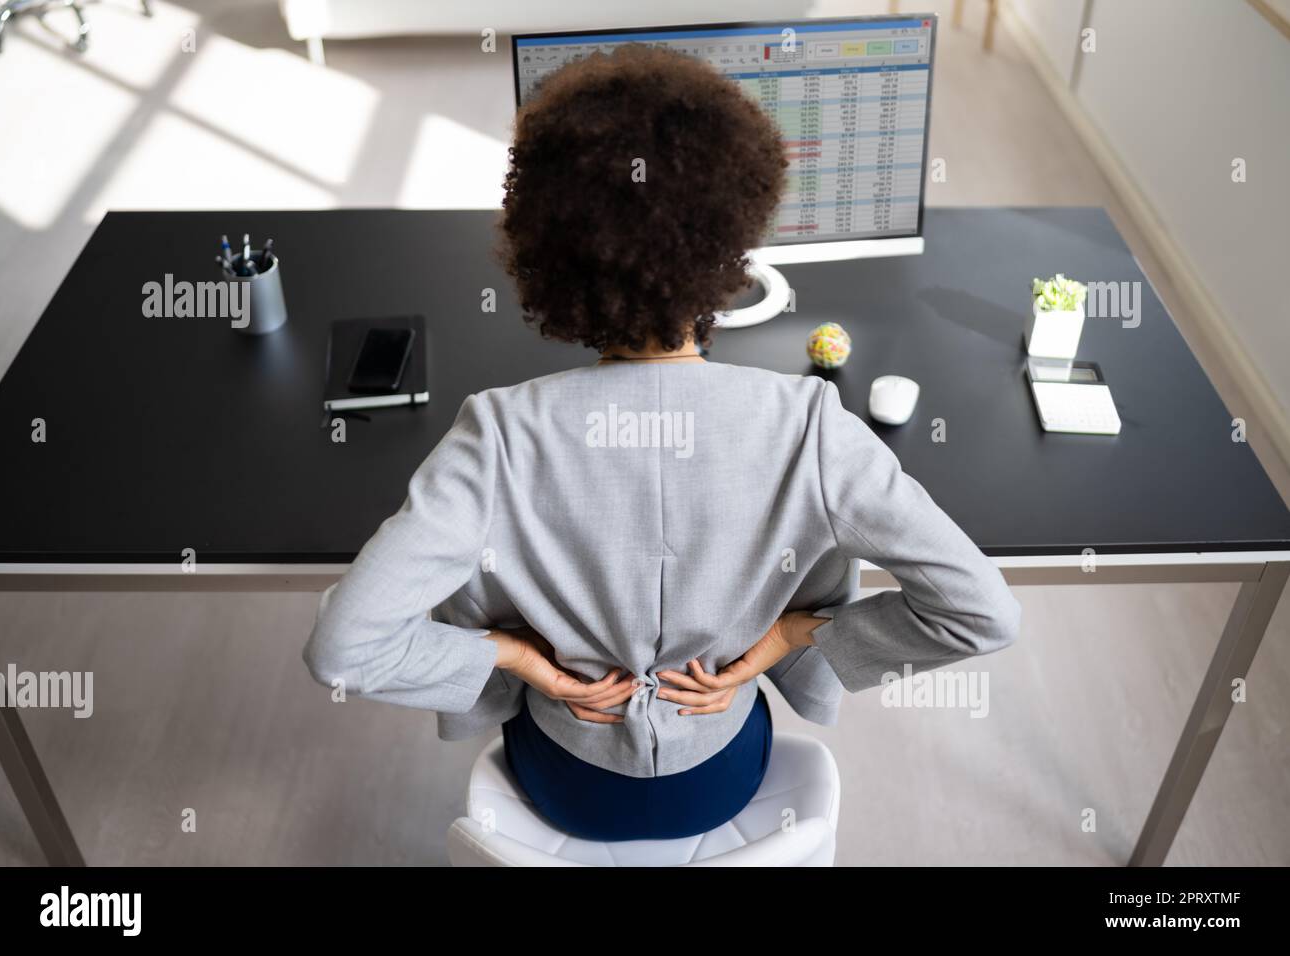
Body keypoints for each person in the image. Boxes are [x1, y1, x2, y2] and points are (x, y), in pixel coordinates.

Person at [303, 44, 1020, 842]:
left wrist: (512, 657)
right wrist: (789, 634)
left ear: (547, 257)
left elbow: (342, 649)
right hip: (717, 779)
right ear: (732, 244)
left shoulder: (498, 436)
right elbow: (983, 614)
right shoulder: (812, 428)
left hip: (568, 782)